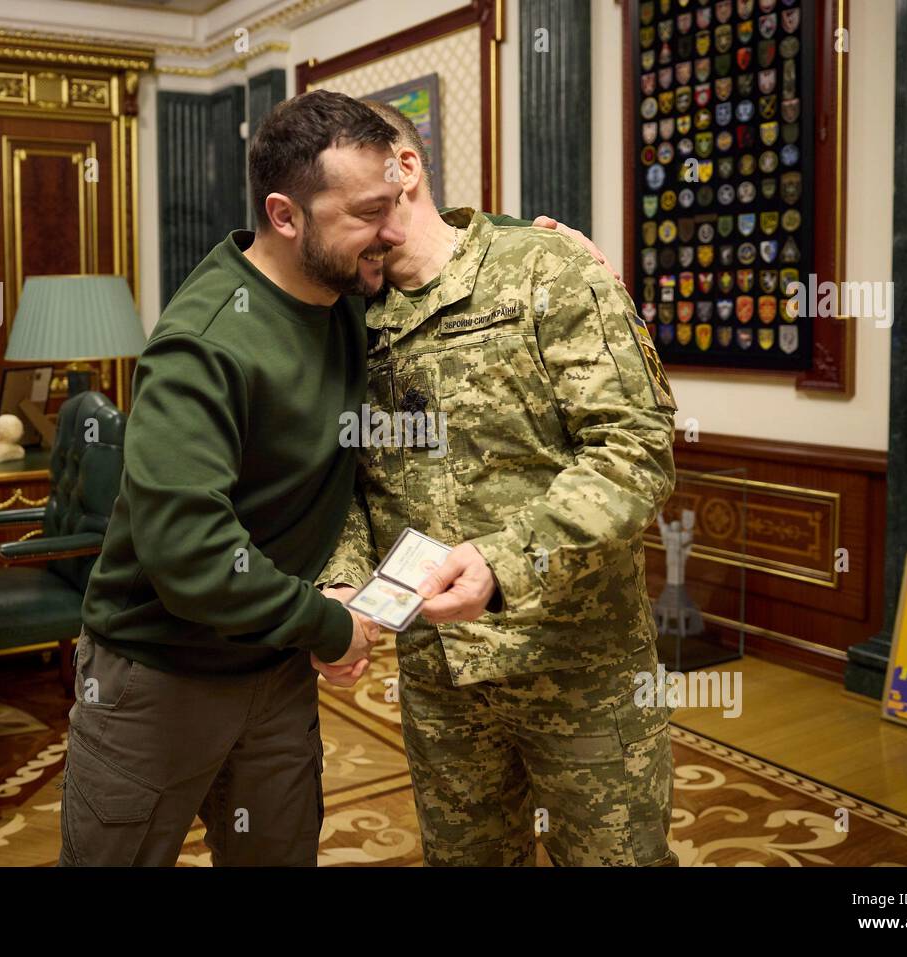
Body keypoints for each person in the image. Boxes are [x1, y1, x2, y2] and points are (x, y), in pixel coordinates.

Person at [58, 89, 591, 867]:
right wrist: (328, 623)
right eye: (368, 214)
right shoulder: (202, 349)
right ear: (285, 215)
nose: (394, 229)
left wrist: (542, 240)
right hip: (159, 673)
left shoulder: (350, 288)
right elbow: (190, 556)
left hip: (274, 664)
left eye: (397, 200)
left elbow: (452, 249)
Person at [317, 102, 681, 866]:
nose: (341, 237)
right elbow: (343, 479)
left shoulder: (545, 270)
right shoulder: (346, 321)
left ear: (404, 169)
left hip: (579, 663)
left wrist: (501, 564)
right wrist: (343, 583)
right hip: (440, 678)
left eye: (351, 209)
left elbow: (634, 451)